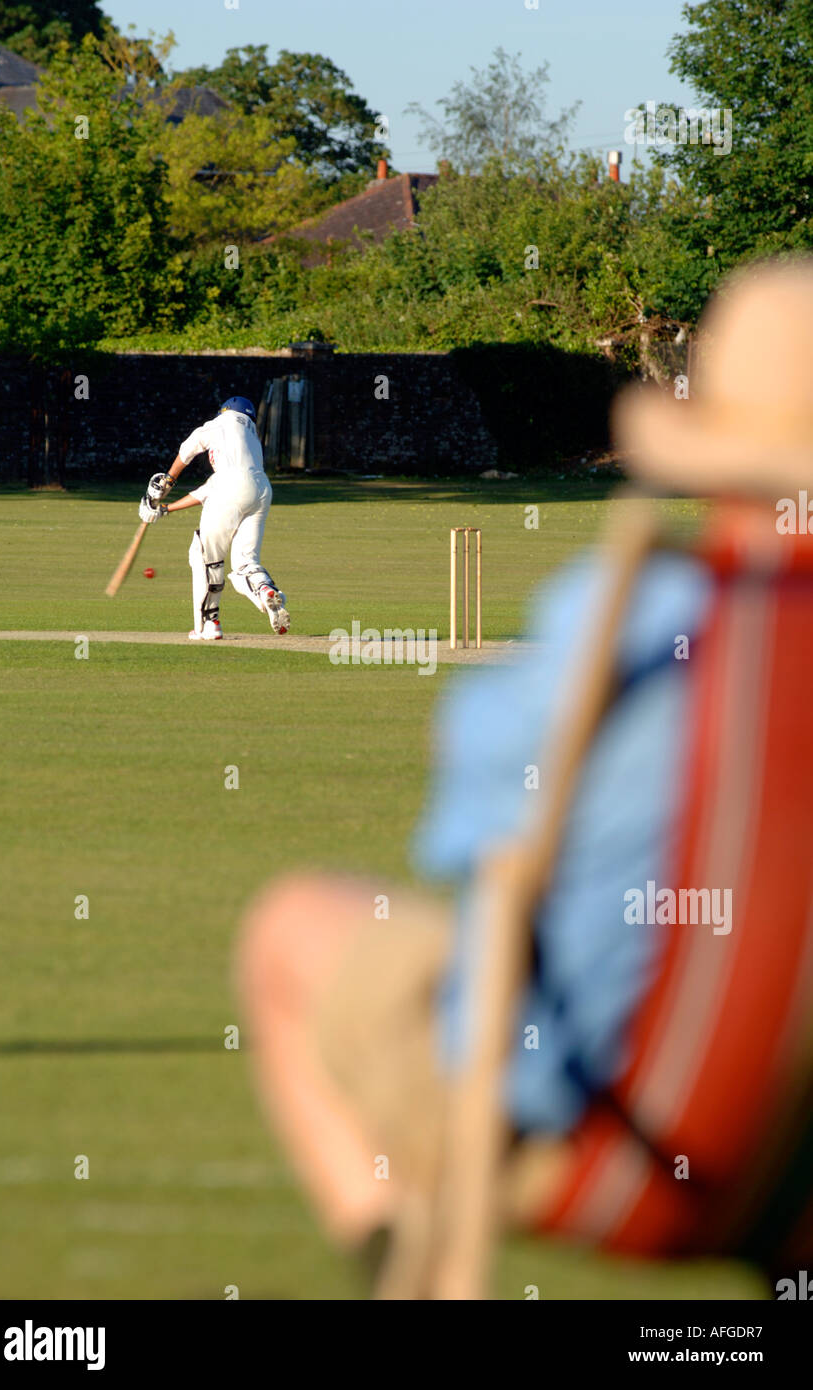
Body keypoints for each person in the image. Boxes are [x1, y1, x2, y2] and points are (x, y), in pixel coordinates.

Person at [238, 259, 813, 1297]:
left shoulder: (639, 613)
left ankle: (393, 1260)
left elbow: (477, 834)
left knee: (294, 929)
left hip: (600, 1144)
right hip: (797, 1172)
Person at [138, 396, 290, 642]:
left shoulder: (219, 424)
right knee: (245, 562)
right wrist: (165, 508)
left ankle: (209, 624)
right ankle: (266, 590)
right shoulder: (251, 440)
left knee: (205, 556)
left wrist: (167, 481)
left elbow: (188, 450)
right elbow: (210, 490)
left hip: (230, 489)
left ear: (225, 412)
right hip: (261, 490)